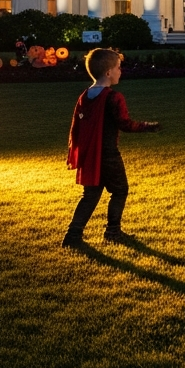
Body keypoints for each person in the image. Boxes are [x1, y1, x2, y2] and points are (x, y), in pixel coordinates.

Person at [63, 49, 160, 247]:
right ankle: (112, 231)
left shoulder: (85, 95)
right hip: (107, 154)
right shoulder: (114, 97)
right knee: (120, 190)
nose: (120, 71)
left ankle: (72, 235)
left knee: (90, 195)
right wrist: (148, 127)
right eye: (118, 68)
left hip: (90, 154)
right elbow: (125, 124)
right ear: (108, 72)